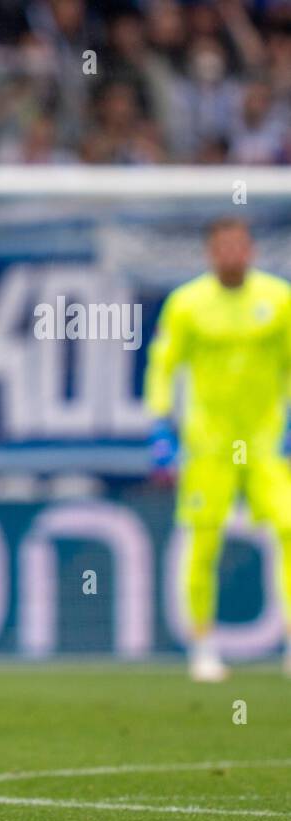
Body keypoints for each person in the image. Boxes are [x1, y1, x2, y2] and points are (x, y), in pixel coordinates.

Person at [145, 217, 291, 681]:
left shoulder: (278, 299)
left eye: (239, 246)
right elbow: (164, 365)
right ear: (211, 253)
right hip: (209, 444)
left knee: (288, 529)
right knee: (203, 538)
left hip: (267, 441)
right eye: (223, 247)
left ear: (251, 251)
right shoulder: (188, 304)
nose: (231, 254)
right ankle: (203, 647)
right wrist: (160, 423)